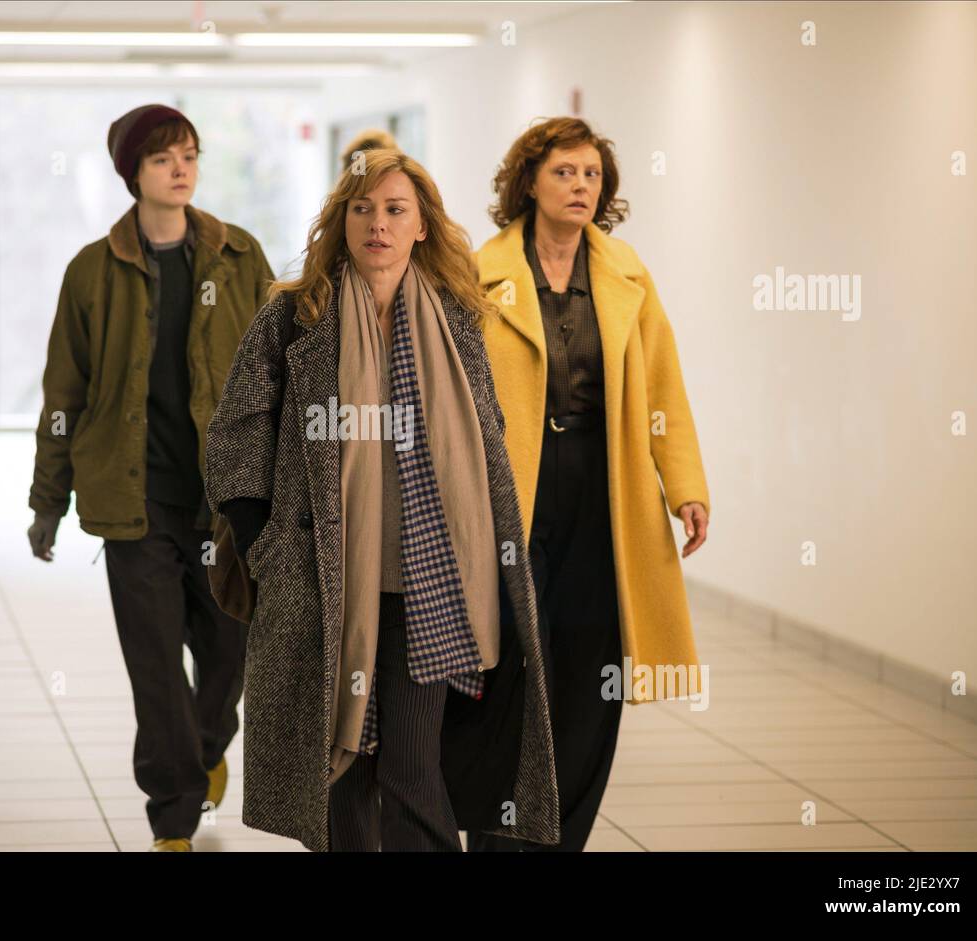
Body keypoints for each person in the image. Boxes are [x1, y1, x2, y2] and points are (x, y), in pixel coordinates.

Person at [205, 149, 560, 852]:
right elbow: (235, 435)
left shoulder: (458, 318)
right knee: (339, 769)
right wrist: (268, 545)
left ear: (422, 225)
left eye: (396, 210)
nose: (378, 225)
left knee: (408, 763)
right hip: (325, 579)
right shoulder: (292, 317)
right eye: (362, 209)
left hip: (434, 579)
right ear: (341, 222)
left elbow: (488, 434)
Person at [26, 103, 274, 852]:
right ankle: (173, 815)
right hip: (132, 503)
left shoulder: (240, 257)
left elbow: (275, 367)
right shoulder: (92, 271)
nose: (182, 168)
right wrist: (48, 500)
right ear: (133, 172)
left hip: (223, 503)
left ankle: (204, 750)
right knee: (155, 665)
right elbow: (63, 392)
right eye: (165, 157)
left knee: (228, 654)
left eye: (191, 154)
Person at [470, 117, 711, 851]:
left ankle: (561, 836)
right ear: (529, 183)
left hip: (603, 495)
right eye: (564, 172)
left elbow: (663, 386)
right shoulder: (479, 275)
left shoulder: (625, 275)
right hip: (511, 496)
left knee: (590, 672)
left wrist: (685, 486)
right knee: (513, 667)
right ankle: (499, 831)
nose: (581, 186)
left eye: (592, 174)